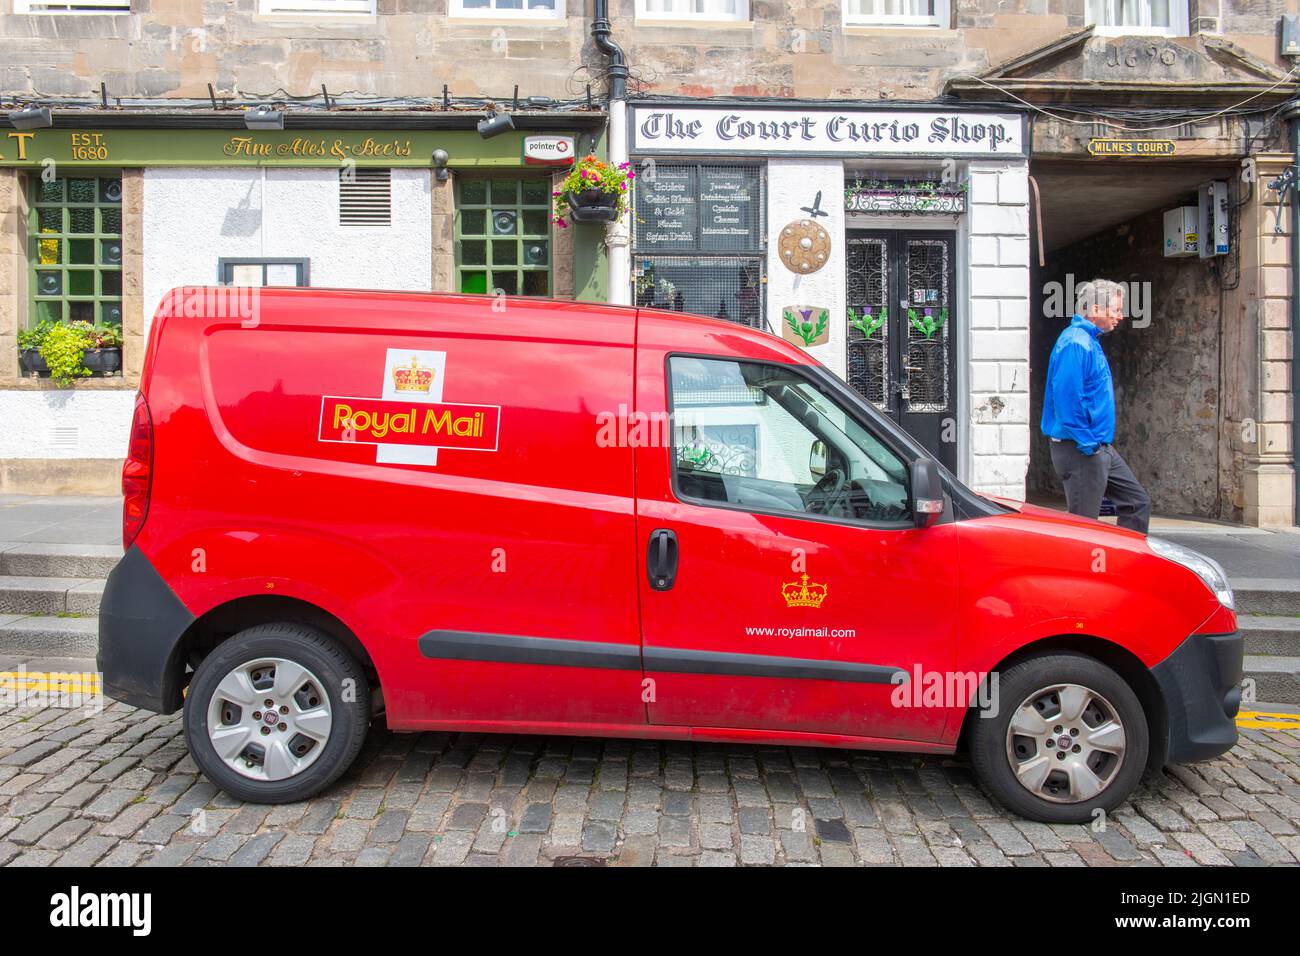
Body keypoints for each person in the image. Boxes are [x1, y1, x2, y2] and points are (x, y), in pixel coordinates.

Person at [1041, 279, 1151, 534]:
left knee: (1136, 503)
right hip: (1081, 448)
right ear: (1095, 310)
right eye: (1116, 310)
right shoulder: (1076, 343)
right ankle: (1076, 573)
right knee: (1084, 527)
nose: (1121, 316)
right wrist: (1089, 445)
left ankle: (1124, 569)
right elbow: (1067, 400)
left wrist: (1096, 446)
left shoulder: (1088, 341)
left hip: (1096, 447)